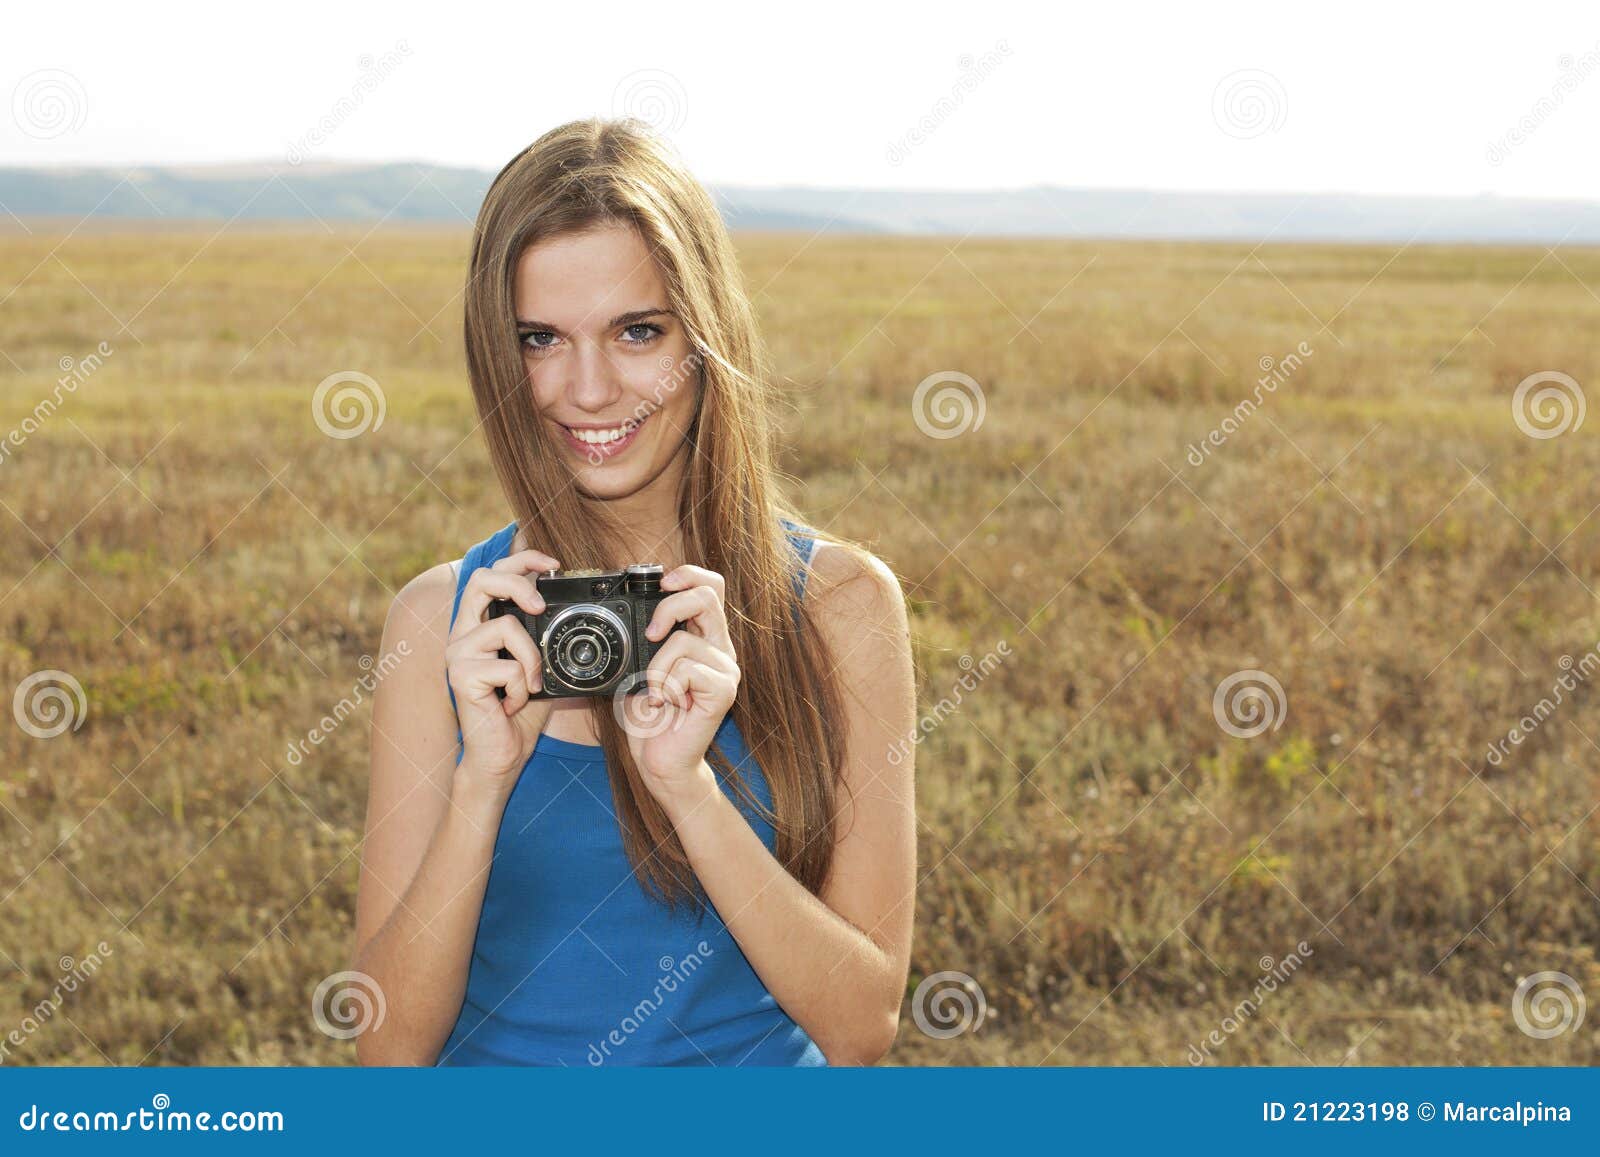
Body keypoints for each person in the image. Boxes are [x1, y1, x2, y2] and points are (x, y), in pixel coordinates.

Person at [352, 118, 917, 1066]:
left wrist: (690, 792)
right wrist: (481, 784)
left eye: (638, 332)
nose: (588, 390)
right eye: (540, 339)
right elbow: (385, 1053)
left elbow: (862, 1025)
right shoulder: (439, 621)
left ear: (706, 333)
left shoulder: (840, 606)